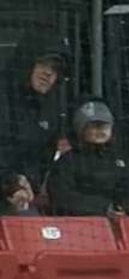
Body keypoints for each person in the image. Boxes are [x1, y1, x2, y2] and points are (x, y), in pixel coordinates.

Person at [47, 99, 129, 218]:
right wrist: (104, 207)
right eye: (94, 126)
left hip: (125, 220)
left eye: (105, 126)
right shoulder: (67, 161)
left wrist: (128, 207)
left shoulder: (121, 159)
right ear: (81, 129)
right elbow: (61, 196)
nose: (100, 131)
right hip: (82, 221)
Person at [0, 32, 69, 196]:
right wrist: (9, 183)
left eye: (55, 69)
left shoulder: (50, 109)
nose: (49, 73)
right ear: (28, 64)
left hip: (20, 194)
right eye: (43, 64)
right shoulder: (4, 96)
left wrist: (27, 185)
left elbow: (44, 158)